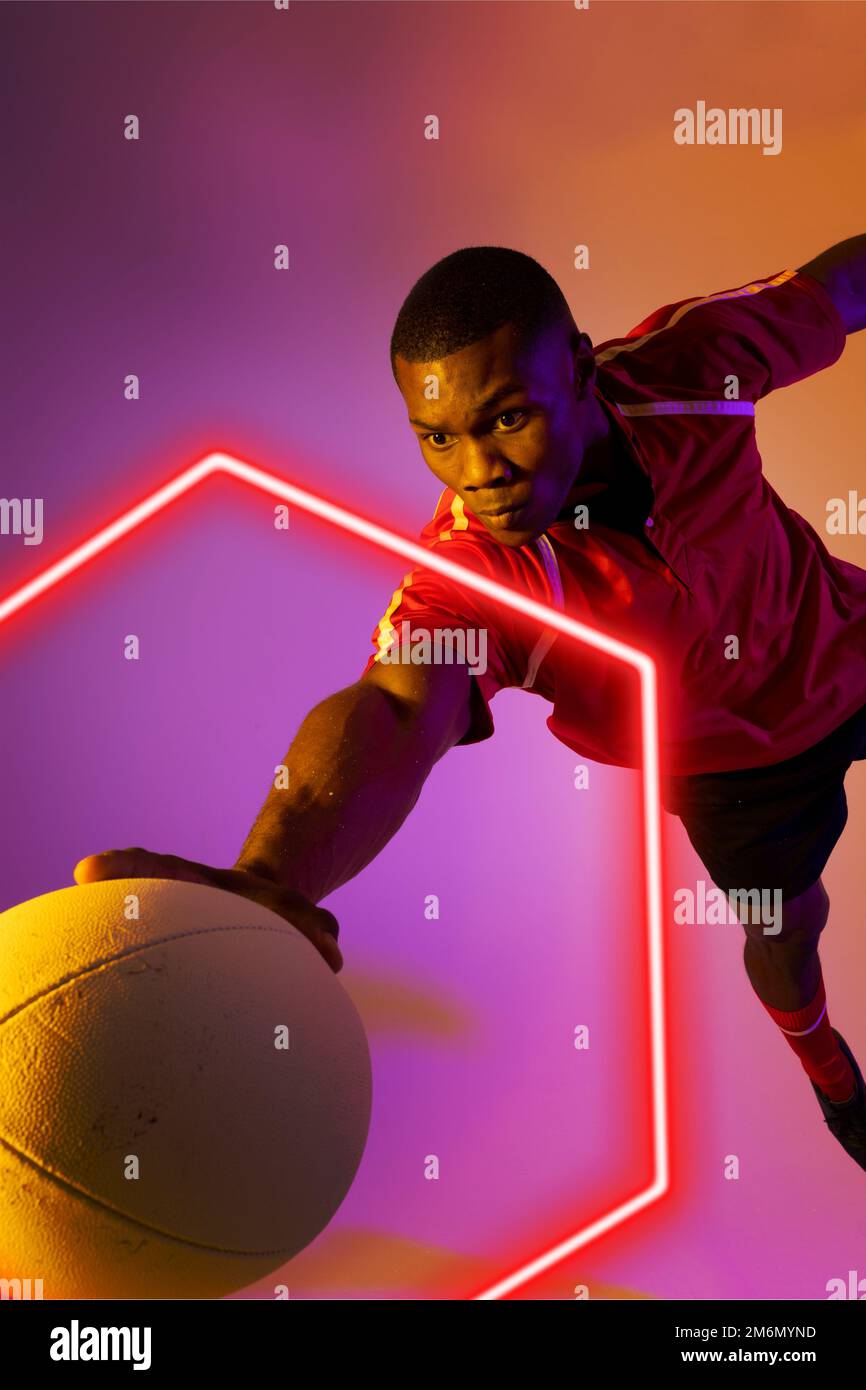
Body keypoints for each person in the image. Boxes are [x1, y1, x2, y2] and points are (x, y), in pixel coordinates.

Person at [75, 239, 866, 1171]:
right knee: (785, 929)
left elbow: (838, 285)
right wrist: (270, 878)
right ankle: (835, 1083)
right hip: (738, 773)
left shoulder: (692, 366)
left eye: (508, 418)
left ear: (577, 369)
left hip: (848, 637)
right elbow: (400, 709)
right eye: (439, 437)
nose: (477, 469)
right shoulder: (472, 580)